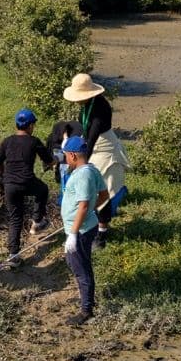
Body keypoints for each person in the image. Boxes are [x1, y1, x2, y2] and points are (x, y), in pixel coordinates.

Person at [62, 73, 129, 251]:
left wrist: (79, 164)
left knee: (102, 191)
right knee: (88, 189)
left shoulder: (101, 108)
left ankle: (102, 234)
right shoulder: (86, 105)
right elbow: (83, 129)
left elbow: (91, 140)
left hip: (105, 151)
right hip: (91, 147)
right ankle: (89, 224)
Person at [59, 136, 110, 327]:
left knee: (81, 268)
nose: (65, 160)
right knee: (76, 263)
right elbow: (104, 195)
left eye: (65, 156)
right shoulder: (92, 170)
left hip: (80, 230)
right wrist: (88, 211)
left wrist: (73, 233)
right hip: (84, 226)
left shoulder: (82, 175)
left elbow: (83, 205)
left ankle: (86, 310)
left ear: (72, 155)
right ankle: (85, 297)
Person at [0, 108, 55, 268]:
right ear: (30, 126)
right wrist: (55, 160)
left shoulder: (7, 141)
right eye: (33, 124)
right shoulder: (34, 141)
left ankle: (13, 255)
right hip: (27, 181)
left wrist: (4, 175)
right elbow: (48, 160)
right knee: (42, 189)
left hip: (9, 185)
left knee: (15, 219)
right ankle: (37, 221)